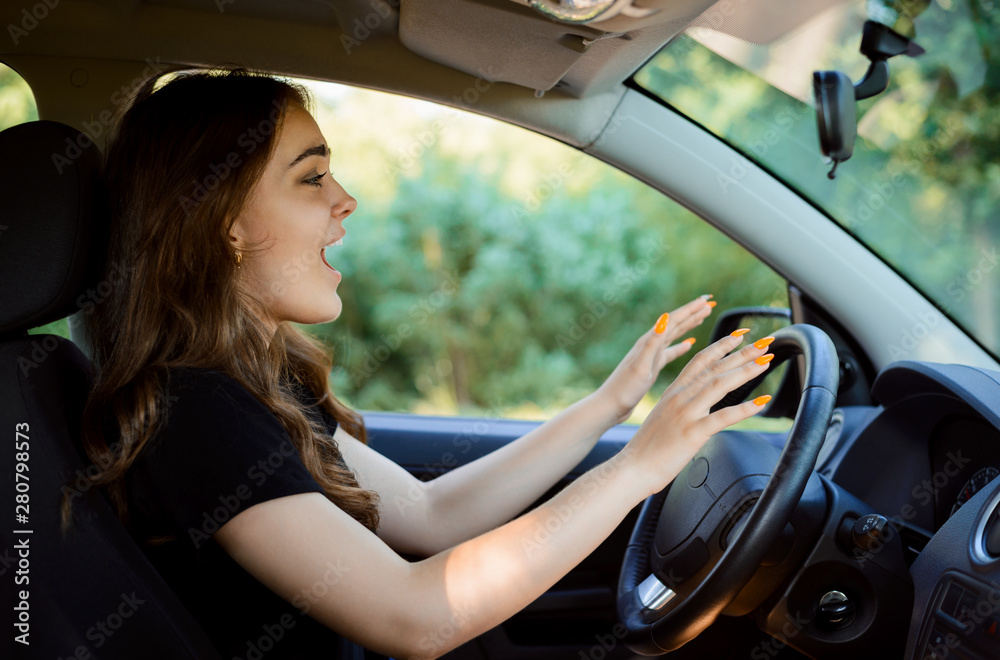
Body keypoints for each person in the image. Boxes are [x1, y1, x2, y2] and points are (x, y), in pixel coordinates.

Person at [64, 68, 774, 660]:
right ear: (224, 224)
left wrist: (610, 404)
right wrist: (638, 467)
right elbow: (412, 617)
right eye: (311, 179)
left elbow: (432, 515)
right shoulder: (196, 412)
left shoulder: (254, 379)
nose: (346, 200)